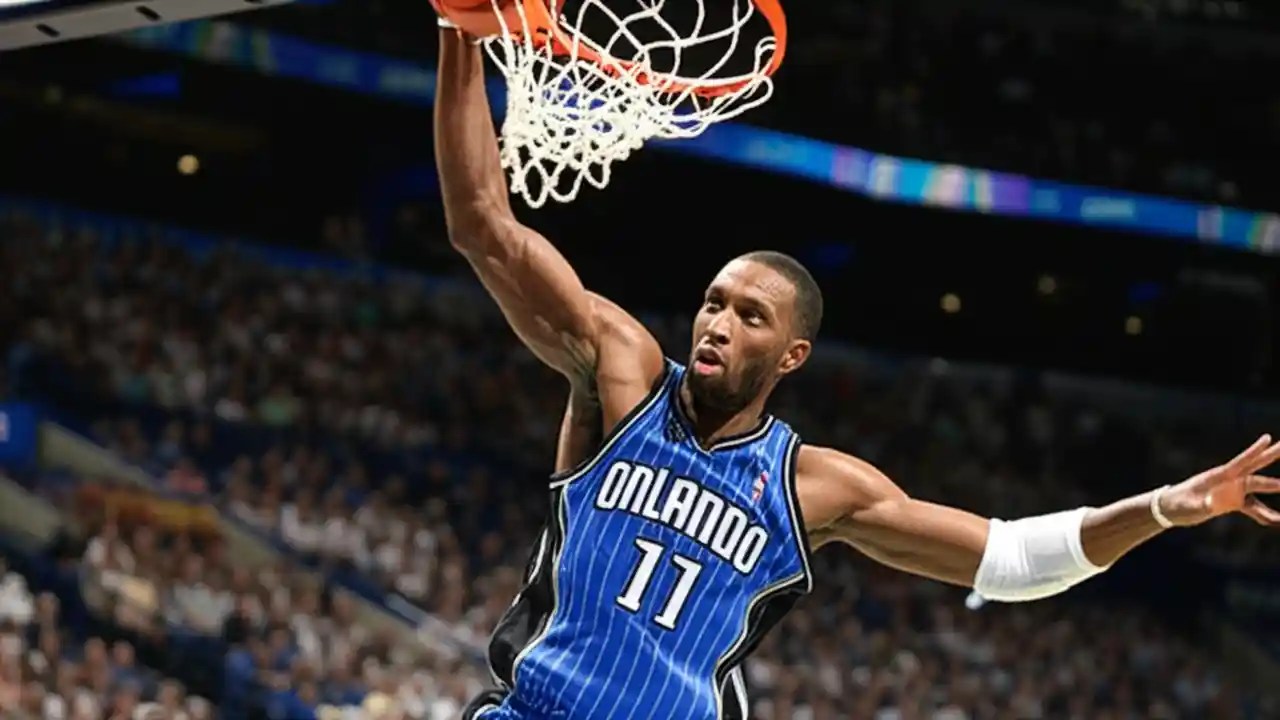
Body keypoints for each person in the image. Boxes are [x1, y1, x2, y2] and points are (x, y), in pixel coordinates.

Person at [433, 22, 1280, 720]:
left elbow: (1012, 560)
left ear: (792, 355)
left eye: (750, 316)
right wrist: (459, 31)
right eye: (714, 302)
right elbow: (483, 226)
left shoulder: (813, 488)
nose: (718, 323)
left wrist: (1162, 508)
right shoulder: (623, 375)